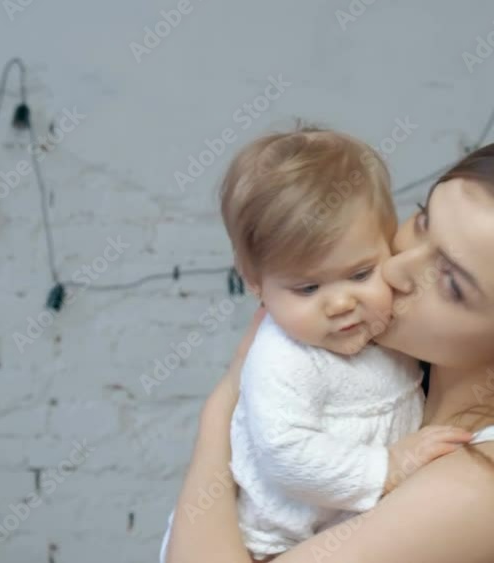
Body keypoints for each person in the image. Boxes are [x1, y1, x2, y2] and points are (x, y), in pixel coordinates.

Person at [164, 135, 494, 563]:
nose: (395, 269)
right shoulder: (391, 384)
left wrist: (219, 417)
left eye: (451, 283)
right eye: (422, 221)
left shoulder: (489, 487)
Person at [159, 126, 473, 562]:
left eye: (362, 274)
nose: (342, 303)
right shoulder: (283, 358)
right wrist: (387, 468)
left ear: (386, 245)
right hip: (263, 541)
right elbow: (288, 454)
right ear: (256, 285)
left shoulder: (389, 329)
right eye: (307, 289)